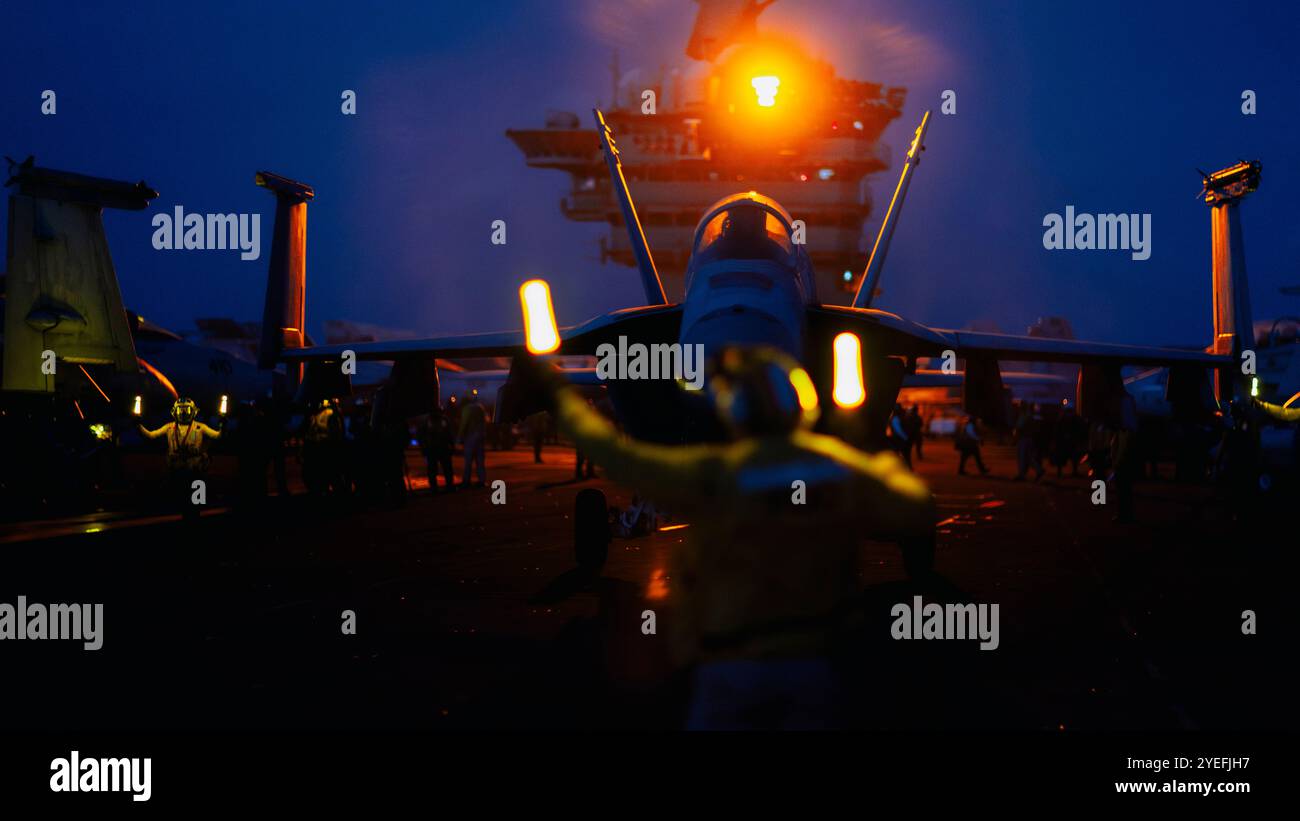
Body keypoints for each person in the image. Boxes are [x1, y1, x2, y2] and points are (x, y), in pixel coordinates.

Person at [518, 345, 936, 730]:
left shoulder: (715, 472)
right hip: (813, 667)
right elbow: (917, 508)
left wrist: (558, 392)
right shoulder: (839, 472)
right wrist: (868, 452)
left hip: (727, 671)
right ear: (800, 407)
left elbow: (613, 453)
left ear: (735, 411)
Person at [138, 397, 222, 520]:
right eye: (180, 410)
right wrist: (138, 425)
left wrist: (223, 425)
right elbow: (151, 435)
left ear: (194, 412)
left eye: (186, 410)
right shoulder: (169, 427)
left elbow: (217, 436)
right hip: (177, 471)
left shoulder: (200, 427)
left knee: (196, 505)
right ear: (174, 412)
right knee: (178, 504)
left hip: (195, 471)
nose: (183, 413)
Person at [420, 404, 456, 492]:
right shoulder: (441, 420)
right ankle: (445, 486)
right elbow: (449, 434)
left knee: (436, 469)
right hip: (438, 448)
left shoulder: (429, 420)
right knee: (444, 468)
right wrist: (452, 445)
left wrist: (423, 448)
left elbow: (422, 435)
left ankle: (437, 487)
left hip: (436, 448)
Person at [458, 390, 488, 487]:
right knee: (480, 460)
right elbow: (485, 421)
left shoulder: (467, 409)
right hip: (480, 436)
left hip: (470, 437)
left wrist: (459, 437)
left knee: (468, 460)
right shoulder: (481, 407)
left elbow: (464, 423)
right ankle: (482, 480)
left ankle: (466, 481)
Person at [888, 403, 912, 469]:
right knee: (906, 456)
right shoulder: (900, 417)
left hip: (898, 439)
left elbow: (898, 430)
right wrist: (906, 437)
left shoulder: (895, 417)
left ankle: (906, 469)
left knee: (900, 455)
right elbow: (899, 430)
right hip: (901, 439)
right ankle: (908, 469)